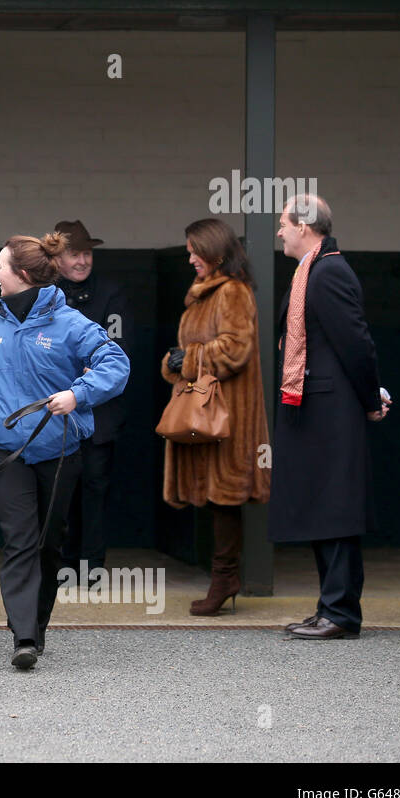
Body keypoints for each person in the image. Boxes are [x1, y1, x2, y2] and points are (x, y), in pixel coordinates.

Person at [0, 232, 130, 670]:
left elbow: (116, 364)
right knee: (20, 539)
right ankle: (23, 635)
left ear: (21, 275)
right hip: (7, 454)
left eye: (0, 266)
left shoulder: (72, 324)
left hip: (60, 450)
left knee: (48, 544)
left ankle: (36, 627)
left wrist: (78, 395)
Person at [271, 195, 387, 640]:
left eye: (283, 223)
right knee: (321, 508)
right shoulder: (310, 270)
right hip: (313, 409)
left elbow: (357, 345)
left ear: (304, 225)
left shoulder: (329, 271)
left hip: (331, 412)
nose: (279, 231)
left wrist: (370, 401)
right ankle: (328, 608)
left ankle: (341, 613)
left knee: (336, 509)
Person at [161, 219, 271, 616]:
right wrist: (177, 360)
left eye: (194, 250)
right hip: (207, 409)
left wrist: (187, 358)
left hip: (229, 416)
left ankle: (225, 578)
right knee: (214, 498)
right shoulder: (206, 294)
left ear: (216, 252)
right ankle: (222, 578)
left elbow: (235, 348)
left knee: (225, 497)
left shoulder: (233, 292)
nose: (190, 258)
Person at [53, 219, 131, 575]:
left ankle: (93, 565)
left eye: (86, 253)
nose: (82, 261)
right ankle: (65, 563)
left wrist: (88, 376)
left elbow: (118, 352)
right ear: (57, 258)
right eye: (74, 254)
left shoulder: (110, 294)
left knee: (95, 487)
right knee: (61, 490)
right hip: (57, 414)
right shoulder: (46, 293)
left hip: (100, 412)